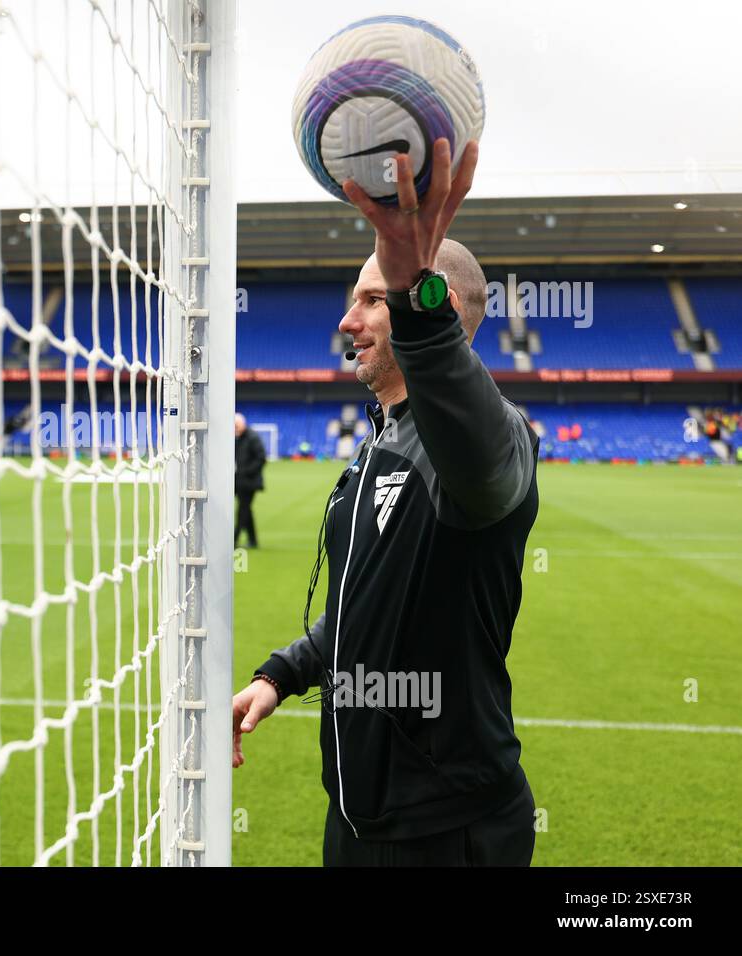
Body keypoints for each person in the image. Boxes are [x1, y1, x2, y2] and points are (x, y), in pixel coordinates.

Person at [232, 140, 541, 866]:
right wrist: (283, 674)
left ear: (439, 305)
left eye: (372, 300)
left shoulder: (489, 445)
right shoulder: (379, 447)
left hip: (447, 831)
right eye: (355, 301)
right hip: (358, 817)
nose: (349, 321)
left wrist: (413, 295)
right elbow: (359, 613)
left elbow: (479, 445)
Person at [233, 413, 267, 548]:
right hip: (239, 481)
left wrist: (247, 471)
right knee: (246, 510)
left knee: (242, 511)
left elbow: (261, 458)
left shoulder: (252, 438)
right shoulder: (237, 438)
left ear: (243, 424)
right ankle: (253, 540)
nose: (235, 428)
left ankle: (233, 539)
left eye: (236, 426)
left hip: (249, 482)